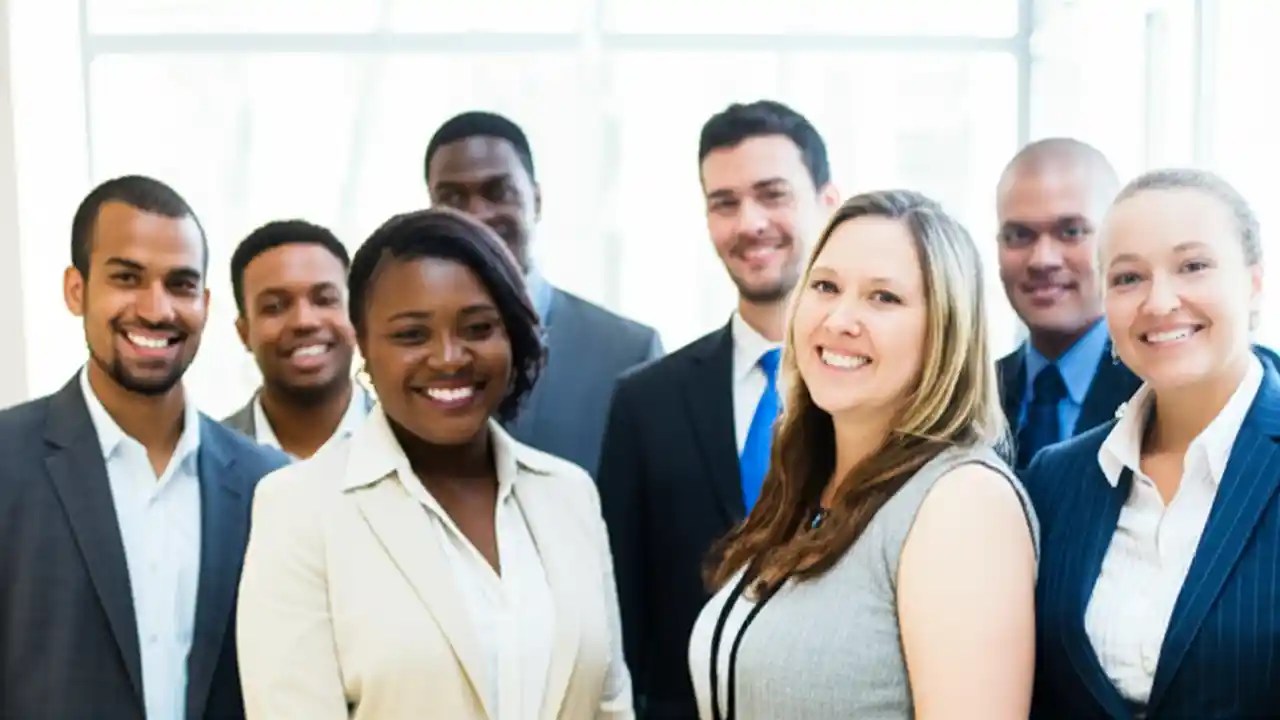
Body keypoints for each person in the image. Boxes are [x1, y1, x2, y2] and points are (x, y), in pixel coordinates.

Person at [236, 208, 632, 719]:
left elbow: (609, 704)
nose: (449, 357)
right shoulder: (298, 508)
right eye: (411, 335)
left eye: (477, 327)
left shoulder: (568, 493)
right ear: (365, 346)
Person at [688, 190, 1038, 719]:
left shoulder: (962, 503)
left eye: (884, 298)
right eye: (826, 286)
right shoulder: (808, 483)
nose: (840, 319)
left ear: (945, 331)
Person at [0, 175, 288, 719]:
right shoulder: (7, 462)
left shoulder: (268, 485)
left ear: (204, 302)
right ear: (76, 289)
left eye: (180, 285)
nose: (156, 310)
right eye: (127, 278)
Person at [597, 100, 840, 718]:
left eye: (772, 194)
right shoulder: (644, 401)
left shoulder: (884, 393)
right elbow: (619, 613)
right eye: (724, 202)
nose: (749, 222)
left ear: (828, 202)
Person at [1025, 169, 1280, 718]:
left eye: (1193, 266)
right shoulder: (1055, 479)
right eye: (1128, 278)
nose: (1160, 302)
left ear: (1255, 281)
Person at [424, 110, 663, 478]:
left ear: (536, 201)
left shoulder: (628, 354)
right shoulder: (405, 356)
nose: (476, 216)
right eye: (453, 199)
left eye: (498, 192)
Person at [995, 138, 1141, 468]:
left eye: (1071, 231)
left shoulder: (1161, 392)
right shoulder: (971, 398)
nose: (1042, 260)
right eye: (1019, 235)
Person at [223, 219, 374, 459]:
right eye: (274, 307)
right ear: (244, 333)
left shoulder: (417, 442)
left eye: (324, 300)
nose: (304, 321)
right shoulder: (205, 460)